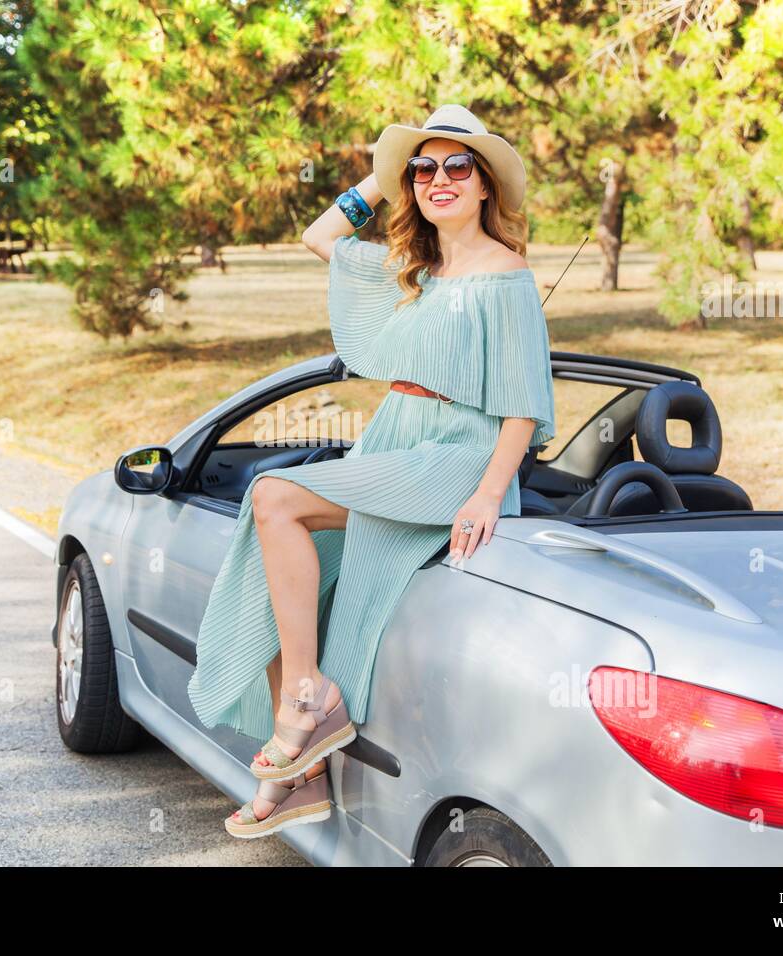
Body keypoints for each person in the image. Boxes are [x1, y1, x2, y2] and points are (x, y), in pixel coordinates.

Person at [186, 104, 557, 839]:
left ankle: (306, 700)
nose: (439, 179)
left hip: (459, 455)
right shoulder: (414, 273)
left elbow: (523, 400)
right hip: (397, 443)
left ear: (486, 186)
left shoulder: (507, 274)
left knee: (274, 496)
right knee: (279, 566)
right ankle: (305, 772)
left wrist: (488, 494)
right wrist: (387, 177)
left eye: (459, 166)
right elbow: (317, 235)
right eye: (425, 169)